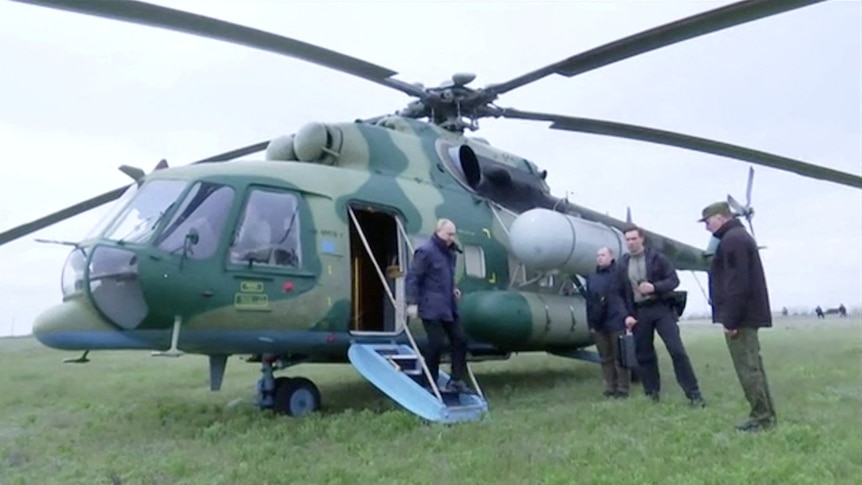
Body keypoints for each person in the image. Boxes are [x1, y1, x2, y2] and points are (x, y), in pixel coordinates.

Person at [700, 201, 776, 432]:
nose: (706, 227)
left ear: (721, 217)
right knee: (754, 367)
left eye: (708, 221)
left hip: (741, 318)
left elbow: (737, 283)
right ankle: (766, 415)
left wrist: (730, 320)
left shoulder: (732, 240)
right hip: (746, 314)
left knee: (748, 368)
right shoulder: (738, 237)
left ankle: (761, 418)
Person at [617, 225, 705, 406]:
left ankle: (694, 394)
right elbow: (618, 292)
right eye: (627, 240)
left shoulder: (657, 258)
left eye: (634, 239)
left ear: (642, 239)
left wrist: (655, 287)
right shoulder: (623, 263)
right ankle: (652, 393)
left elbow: (674, 280)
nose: (630, 243)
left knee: (677, 350)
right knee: (644, 354)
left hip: (660, 308)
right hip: (639, 312)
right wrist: (626, 315)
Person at [405, 218, 470, 393]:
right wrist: (412, 303)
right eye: (449, 234)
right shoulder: (426, 252)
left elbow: (443, 276)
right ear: (438, 232)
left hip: (448, 305)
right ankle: (429, 381)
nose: (452, 237)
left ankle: (456, 379)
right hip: (431, 306)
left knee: (461, 339)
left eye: (453, 234)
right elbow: (413, 278)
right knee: (437, 343)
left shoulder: (451, 253)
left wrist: (453, 288)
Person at [586, 247, 630, 398]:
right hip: (599, 324)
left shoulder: (620, 275)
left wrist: (628, 317)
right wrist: (591, 324)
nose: (599, 258)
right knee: (605, 358)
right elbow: (590, 302)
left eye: (603, 255)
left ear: (611, 257)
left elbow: (626, 297)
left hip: (616, 321)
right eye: (597, 255)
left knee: (620, 357)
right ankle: (610, 387)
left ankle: (623, 388)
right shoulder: (592, 278)